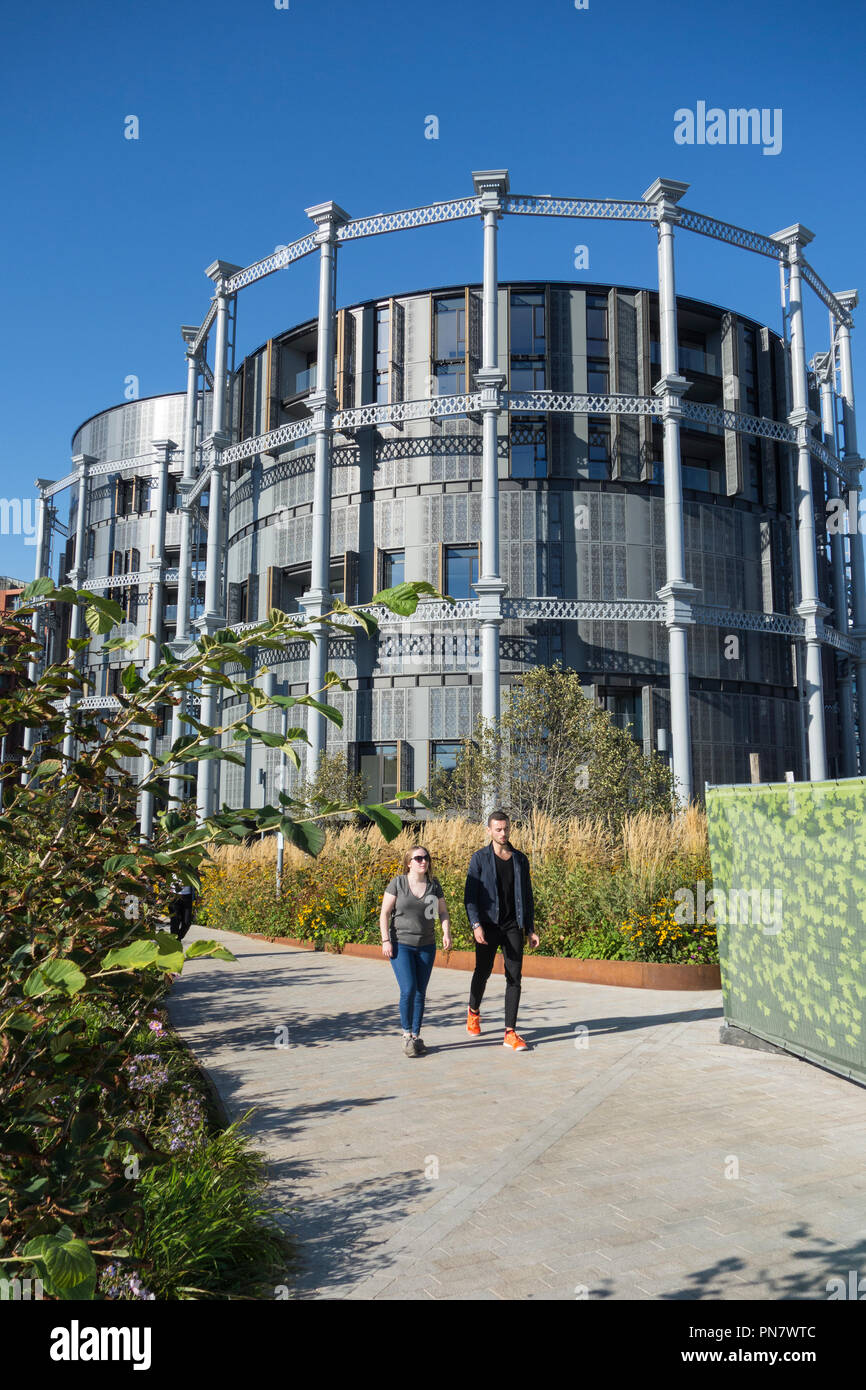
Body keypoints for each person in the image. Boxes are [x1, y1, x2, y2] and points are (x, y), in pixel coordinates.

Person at [464, 810, 539, 1051]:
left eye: (506, 828)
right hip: (487, 926)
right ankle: (473, 1011)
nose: (503, 833)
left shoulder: (520, 859)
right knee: (482, 972)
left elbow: (527, 896)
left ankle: (510, 1032)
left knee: (514, 978)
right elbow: (470, 897)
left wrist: (530, 928)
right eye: (498, 829)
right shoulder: (479, 859)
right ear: (489, 831)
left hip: (513, 926)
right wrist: (475, 924)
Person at [380, 847, 452, 1057]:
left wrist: (446, 933)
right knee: (409, 988)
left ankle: (416, 1037)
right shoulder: (398, 883)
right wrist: (386, 940)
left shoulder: (433, 885)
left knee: (421, 991)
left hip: (427, 945)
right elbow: (384, 913)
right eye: (418, 858)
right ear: (409, 862)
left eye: (426, 858)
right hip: (401, 943)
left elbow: (443, 911)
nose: (423, 861)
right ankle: (406, 1036)